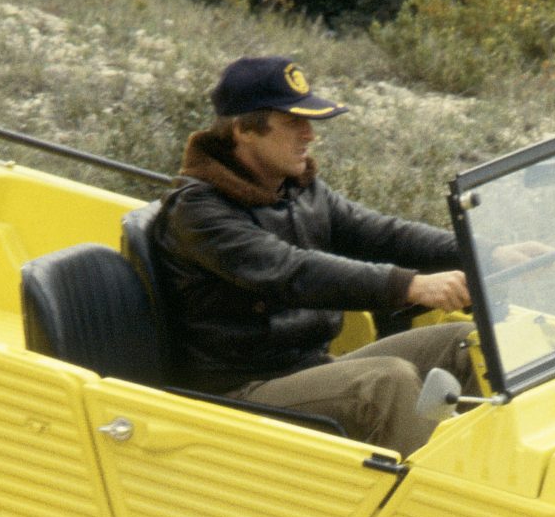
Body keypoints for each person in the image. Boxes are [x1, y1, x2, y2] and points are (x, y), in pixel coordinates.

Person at [151, 55, 480, 456]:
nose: (309, 135)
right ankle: (427, 511)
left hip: (308, 366)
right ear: (244, 130)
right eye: (294, 123)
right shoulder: (199, 212)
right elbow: (292, 272)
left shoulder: (296, 188)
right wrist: (409, 285)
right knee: (387, 382)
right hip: (239, 390)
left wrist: (480, 251)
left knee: (465, 344)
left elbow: (381, 234)